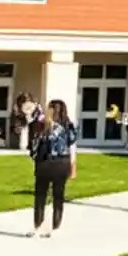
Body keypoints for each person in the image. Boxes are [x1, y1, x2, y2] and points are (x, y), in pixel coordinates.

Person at [27, 99, 77, 237]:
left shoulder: (43, 124)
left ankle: (38, 226)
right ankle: (55, 227)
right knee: (58, 196)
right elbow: (72, 146)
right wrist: (73, 166)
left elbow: (34, 143)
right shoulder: (68, 125)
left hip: (45, 162)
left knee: (40, 196)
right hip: (62, 162)